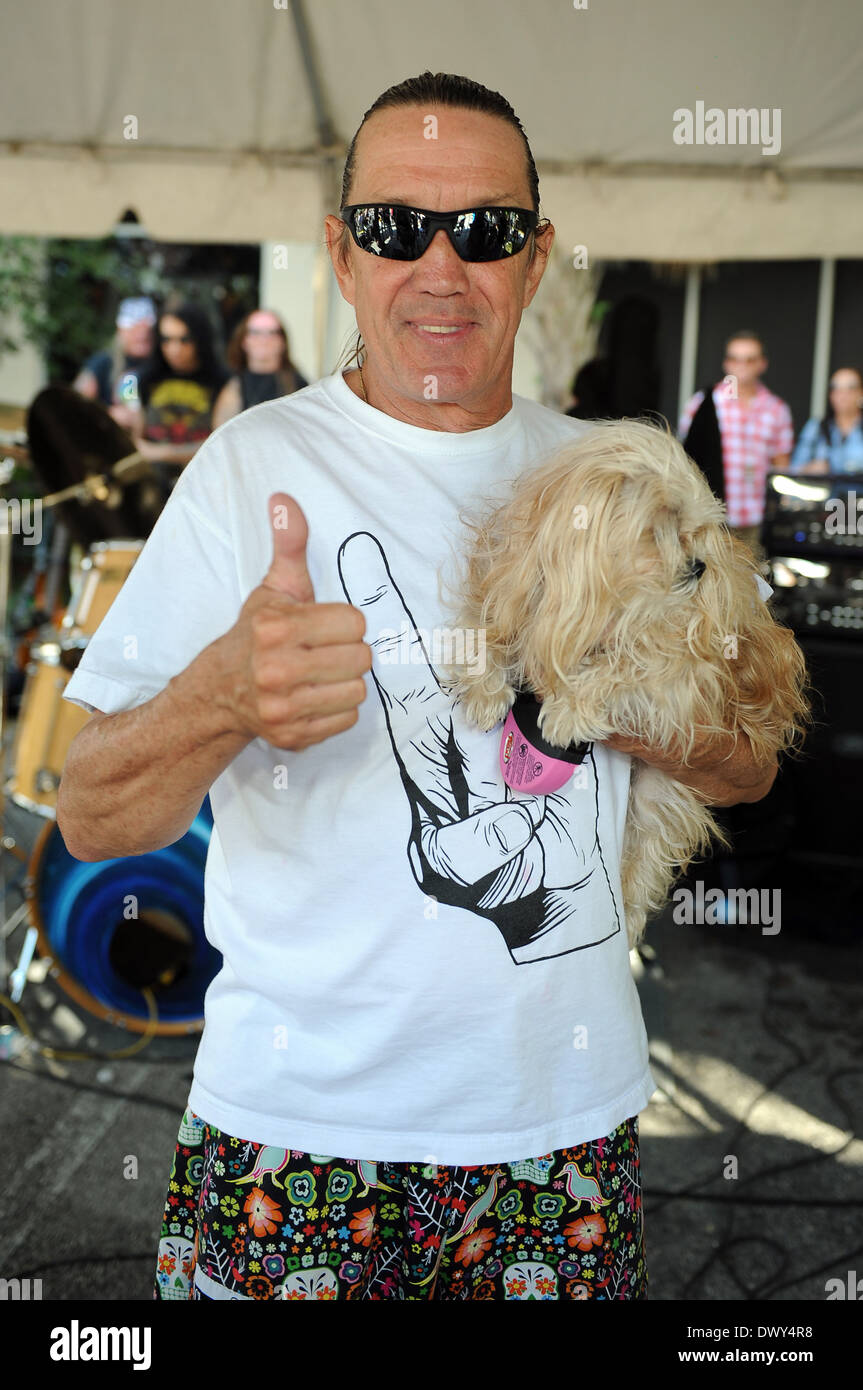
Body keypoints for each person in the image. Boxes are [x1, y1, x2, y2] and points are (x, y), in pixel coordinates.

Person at [56, 71, 778, 1303]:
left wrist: (612, 691)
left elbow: (748, 763)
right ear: (341, 255)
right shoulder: (249, 469)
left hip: (562, 1126)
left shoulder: (613, 478)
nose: (440, 268)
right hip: (294, 1131)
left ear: (535, 256)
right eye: (396, 227)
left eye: (484, 229)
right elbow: (89, 812)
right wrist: (223, 696)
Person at [679, 331, 793, 554]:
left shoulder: (776, 408)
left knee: (753, 581)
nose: (742, 366)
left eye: (749, 359)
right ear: (726, 363)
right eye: (735, 359)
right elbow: (686, 457)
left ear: (762, 364)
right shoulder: (704, 404)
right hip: (711, 513)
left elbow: (781, 463)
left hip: (755, 517)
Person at [131, 302, 229, 504]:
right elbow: (135, 437)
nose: (175, 348)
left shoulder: (223, 380)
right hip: (152, 489)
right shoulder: (144, 378)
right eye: (167, 339)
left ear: (199, 339)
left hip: (203, 487)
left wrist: (162, 452)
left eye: (185, 340)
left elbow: (221, 443)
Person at [211, 309, 309, 429]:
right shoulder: (234, 385)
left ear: (282, 342)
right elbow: (221, 433)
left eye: (272, 333)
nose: (264, 340)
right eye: (255, 333)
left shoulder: (297, 384)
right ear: (244, 341)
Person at [73, 296, 156, 431]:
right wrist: (109, 414)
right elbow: (75, 404)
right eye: (134, 328)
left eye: (147, 330)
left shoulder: (161, 364)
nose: (142, 334)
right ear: (121, 331)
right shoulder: (104, 363)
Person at [789, 366, 863, 475]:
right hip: (826, 490)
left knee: (851, 493)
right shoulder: (816, 428)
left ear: (861, 392)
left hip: (857, 491)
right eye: (836, 388)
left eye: (850, 388)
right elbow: (793, 470)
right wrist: (810, 469)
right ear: (831, 394)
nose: (842, 395)